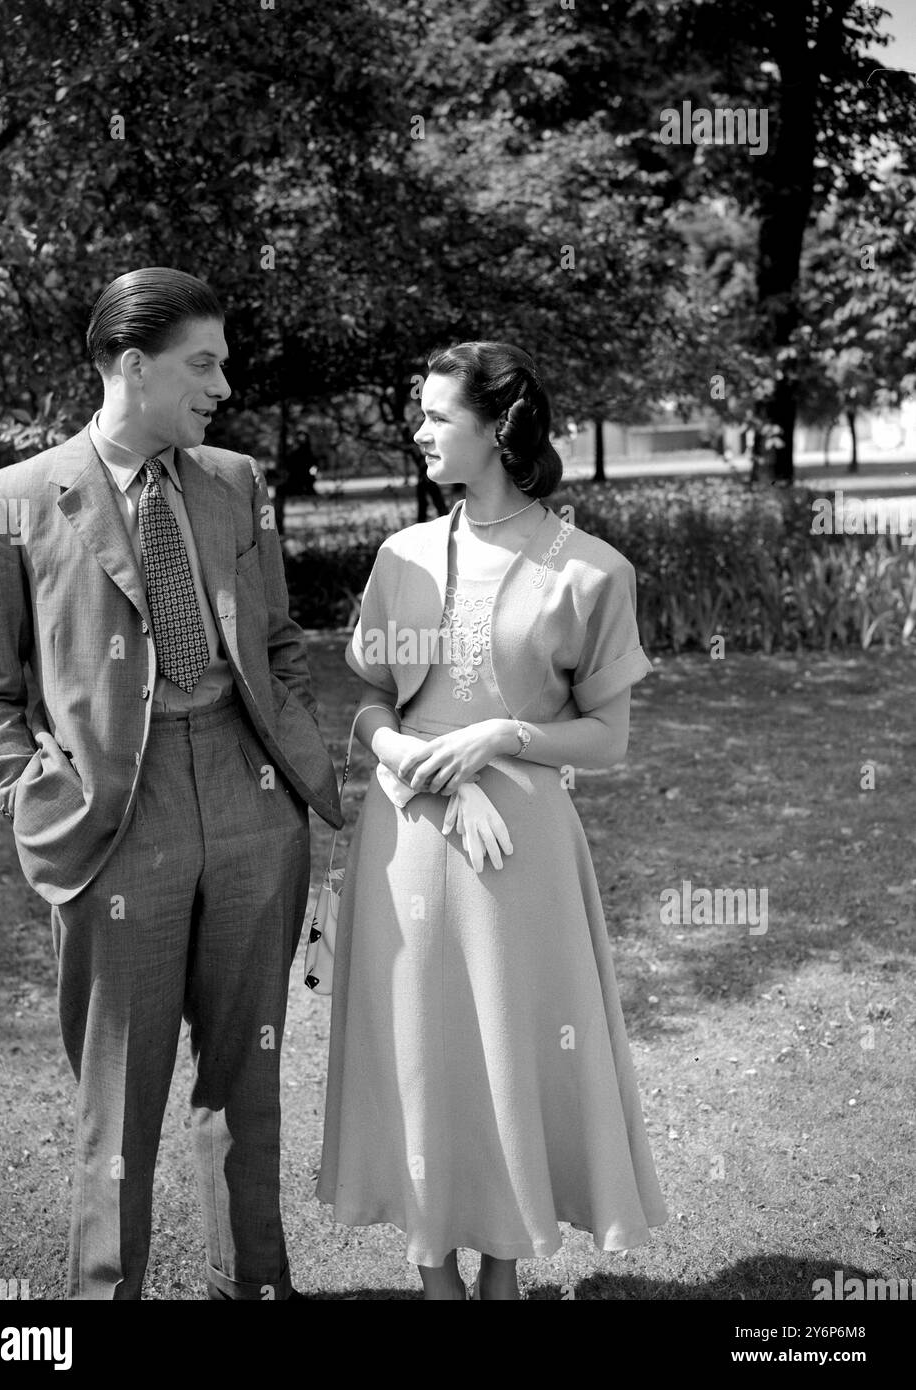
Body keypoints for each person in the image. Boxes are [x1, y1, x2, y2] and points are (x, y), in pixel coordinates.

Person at [0, 267, 341, 1300]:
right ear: (132, 365)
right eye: (201, 364)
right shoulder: (12, 502)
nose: (221, 384)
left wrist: (287, 772)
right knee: (117, 1099)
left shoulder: (234, 481)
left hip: (253, 801)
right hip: (118, 821)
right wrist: (43, 802)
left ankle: (253, 1287)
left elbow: (277, 638)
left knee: (246, 1076)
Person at [316, 341, 667, 1299]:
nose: (418, 430)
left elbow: (606, 742)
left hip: (520, 854)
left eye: (436, 415)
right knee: (420, 1049)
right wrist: (400, 754)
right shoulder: (403, 556)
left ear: (498, 428)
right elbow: (369, 708)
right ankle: (432, 1269)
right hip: (407, 841)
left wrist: (502, 735)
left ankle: (504, 1267)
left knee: (508, 1044)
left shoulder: (591, 571)